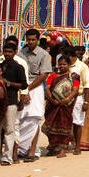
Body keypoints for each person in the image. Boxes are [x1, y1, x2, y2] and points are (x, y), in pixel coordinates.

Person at [17, 28, 53, 161]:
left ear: (37, 40)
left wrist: (28, 89)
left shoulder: (43, 55)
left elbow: (43, 75)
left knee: (34, 118)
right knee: (20, 118)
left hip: (35, 87)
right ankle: (21, 149)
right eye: (29, 40)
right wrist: (24, 89)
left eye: (33, 40)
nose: (31, 42)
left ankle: (33, 151)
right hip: (22, 85)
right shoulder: (21, 53)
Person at [0, 38, 26, 164]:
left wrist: (9, 84)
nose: (7, 54)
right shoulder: (0, 67)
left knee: (9, 129)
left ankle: (8, 157)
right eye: (5, 51)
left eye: (10, 51)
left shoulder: (18, 67)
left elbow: (24, 85)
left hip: (11, 101)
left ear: (15, 52)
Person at [42, 54, 80, 157]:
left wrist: (66, 99)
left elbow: (75, 90)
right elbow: (47, 88)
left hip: (65, 106)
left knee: (64, 125)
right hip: (53, 105)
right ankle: (53, 147)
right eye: (60, 64)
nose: (62, 66)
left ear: (68, 65)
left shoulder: (73, 76)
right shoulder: (53, 76)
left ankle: (63, 149)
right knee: (50, 126)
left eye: (64, 64)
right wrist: (51, 99)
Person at [67, 45, 89, 155]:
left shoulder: (82, 67)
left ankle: (77, 146)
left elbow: (87, 85)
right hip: (65, 98)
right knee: (65, 122)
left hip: (78, 97)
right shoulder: (64, 66)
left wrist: (86, 101)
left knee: (77, 122)